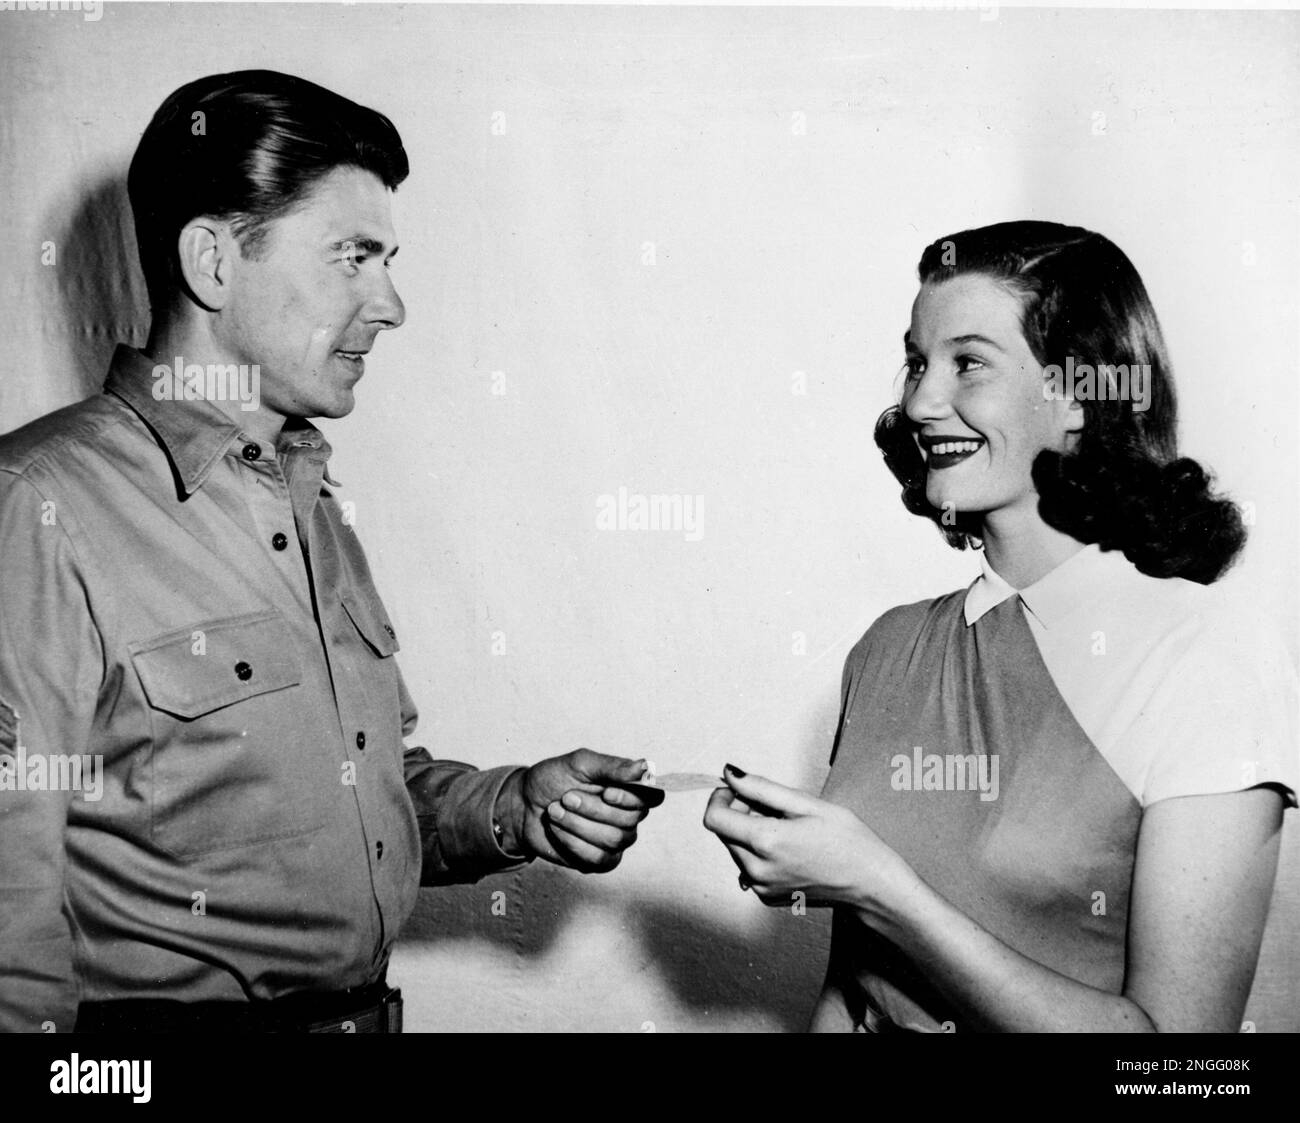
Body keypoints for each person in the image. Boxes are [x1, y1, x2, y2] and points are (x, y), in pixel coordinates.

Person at [0, 69, 661, 1034]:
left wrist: (515, 807)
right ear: (213, 262)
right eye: (353, 257)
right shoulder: (38, 506)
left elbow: (365, 787)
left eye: (386, 260)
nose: (391, 304)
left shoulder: (303, 490)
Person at [704, 221, 1298, 1033]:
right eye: (917, 361)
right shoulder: (889, 648)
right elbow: (853, 990)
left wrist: (880, 885)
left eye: (968, 363)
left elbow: (1179, 1067)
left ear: (1082, 396)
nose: (918, 401)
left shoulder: (1201, 656)